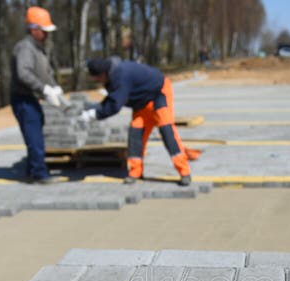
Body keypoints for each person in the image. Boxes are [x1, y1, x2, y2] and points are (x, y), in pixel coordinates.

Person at [79, 57, 200, 186]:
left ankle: (184, 172)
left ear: (103, 73)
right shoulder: (112, 75)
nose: (96, 81)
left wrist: (94, 114)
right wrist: (93, 108)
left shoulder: (120, 76)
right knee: (135, 133)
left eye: (96, 78)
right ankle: (135, 172)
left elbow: (115, 105)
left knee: (167, 131)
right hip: (142, 103)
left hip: (159, 94)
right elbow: (112, 98)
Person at [10, 6, 65, 185]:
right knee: (34, 137)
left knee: (36, 132)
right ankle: (39, 174)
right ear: (34, 29)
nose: (47, 35)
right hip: (23, 99)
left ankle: (32, 170)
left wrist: (54, 87)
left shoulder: (38, 49)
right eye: (44, 31)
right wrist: (44, 89)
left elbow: (45, 73)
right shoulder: (25, 48)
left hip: (31, 98)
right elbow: (23, 73)